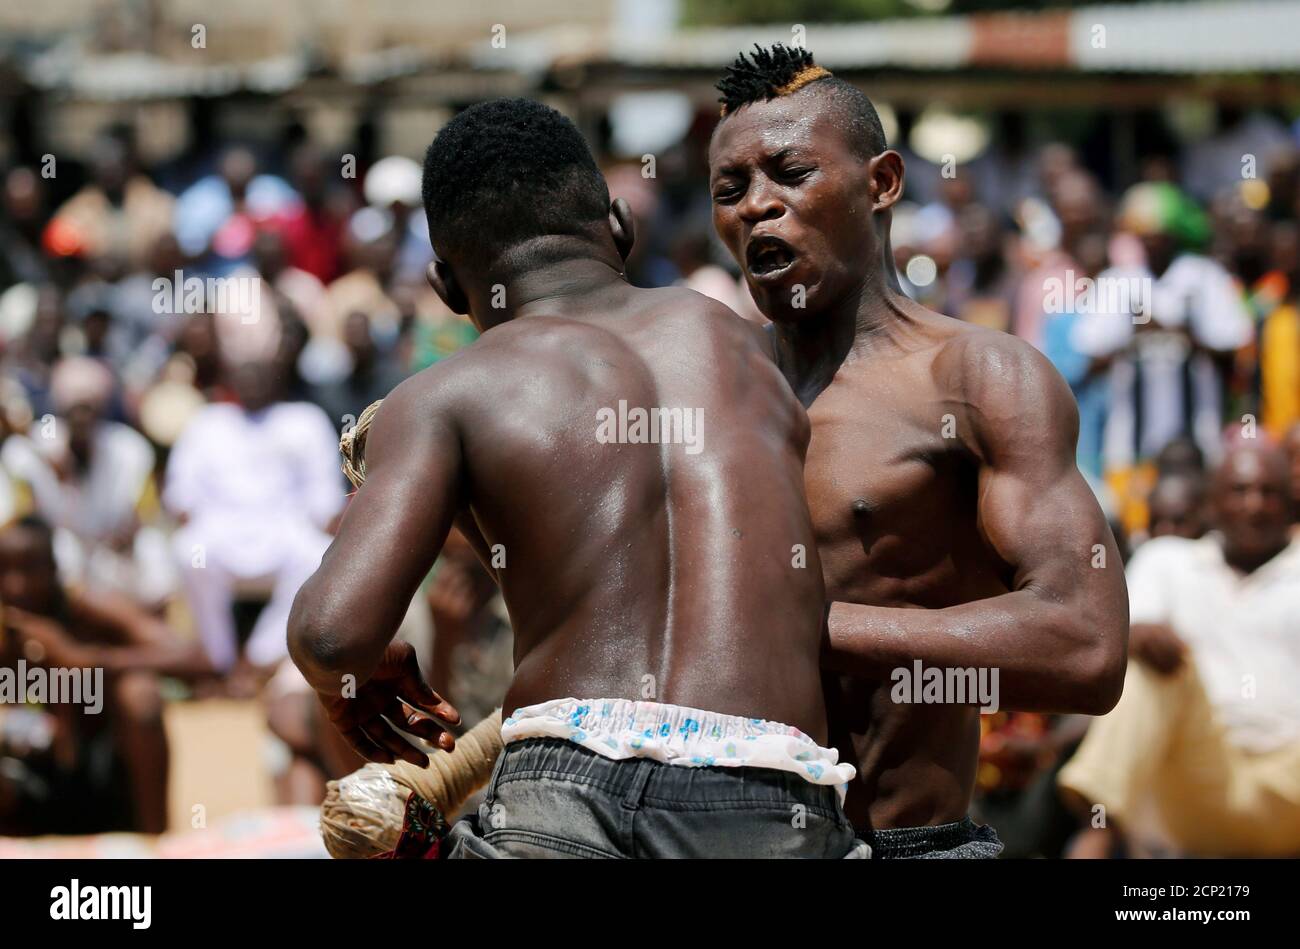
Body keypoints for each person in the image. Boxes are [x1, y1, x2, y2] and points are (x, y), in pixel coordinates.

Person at [289, 97, 862, 859]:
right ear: (621, 226)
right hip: (765, 792)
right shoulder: (751, 350)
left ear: (447, 288)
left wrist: (351, 678)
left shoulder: (445, 392)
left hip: (563, 796)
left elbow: (331, 634)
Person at [706, 44, 1129, 856]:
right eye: (731, 189)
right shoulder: (710, 387)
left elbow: (1086, 644)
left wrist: (811, 626)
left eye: (790, 173)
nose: (758, 205)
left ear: (883, 182)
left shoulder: (976, 377)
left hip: (904, 843)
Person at [1058, 442, 1300, 857]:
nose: (1255, 505)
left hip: (1290, 781)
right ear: (1212, 503)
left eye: (1269, 492)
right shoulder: (1166, 560)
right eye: (1240, 491)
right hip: (1200, 777)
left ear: (1292, 503)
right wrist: (1139, 636)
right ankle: (1096, 831)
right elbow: (1111, 644)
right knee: (1155, 668)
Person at [0, 517, 213, 835]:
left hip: (104, 782)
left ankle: (155, 842)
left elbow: (197, 658)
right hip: (27, 786)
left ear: (55, 569)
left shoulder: (87, 610)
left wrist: (86, 660)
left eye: (30, 568)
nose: (16, 585)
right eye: (4, 570)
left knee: (138, 693)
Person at [165, 359, 344, 684]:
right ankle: (218, 659)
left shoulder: (304, 420)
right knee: (188, 550)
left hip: (285, 531)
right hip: (220, 530)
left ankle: (260, 659)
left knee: (319, 555)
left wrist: (319, 518)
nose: (252, 386)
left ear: (276, 379)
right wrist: (191, 513)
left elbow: (325, 495)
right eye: (243, 377)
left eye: (259, 376)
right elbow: (180, 491)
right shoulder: (208, 422)